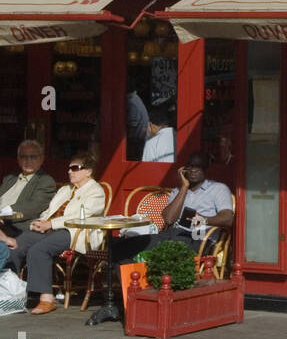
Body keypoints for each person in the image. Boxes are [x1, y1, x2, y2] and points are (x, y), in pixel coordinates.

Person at [89, 153, 235, 326]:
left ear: (206, 169)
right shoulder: (177, 190)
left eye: (199, 167)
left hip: (198, 238)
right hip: (172, 233)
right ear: (184, 169)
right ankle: (120, 304)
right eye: (191, 166)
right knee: (119, 248)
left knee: (155, 253)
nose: (194, 171)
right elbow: (168, 219)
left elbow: (228, 218)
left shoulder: (218, 189)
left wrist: (204, 219)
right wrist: (184, 188)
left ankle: (132, 306)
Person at [3, 152, 106, 314]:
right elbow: (50, 211)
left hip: (75, 232)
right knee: (15, 244)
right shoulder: (65, 189)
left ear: (89, 171)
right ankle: (10, 292)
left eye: (75, 168)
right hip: (51, 229)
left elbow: (80, 217)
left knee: (39, 249)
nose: (70, 171)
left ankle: (46, 298)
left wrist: (50, 224)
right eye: (69, 168)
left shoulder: (96, 191)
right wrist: (39, 223)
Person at [0, 140, 57, 240]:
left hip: (15, 228)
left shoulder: (46, 181)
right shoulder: (10, 178)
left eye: (33, 157)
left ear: (42, 159)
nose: (28, 161)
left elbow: (32, 207)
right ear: (18, 159)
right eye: (23, 157)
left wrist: (2, 214)